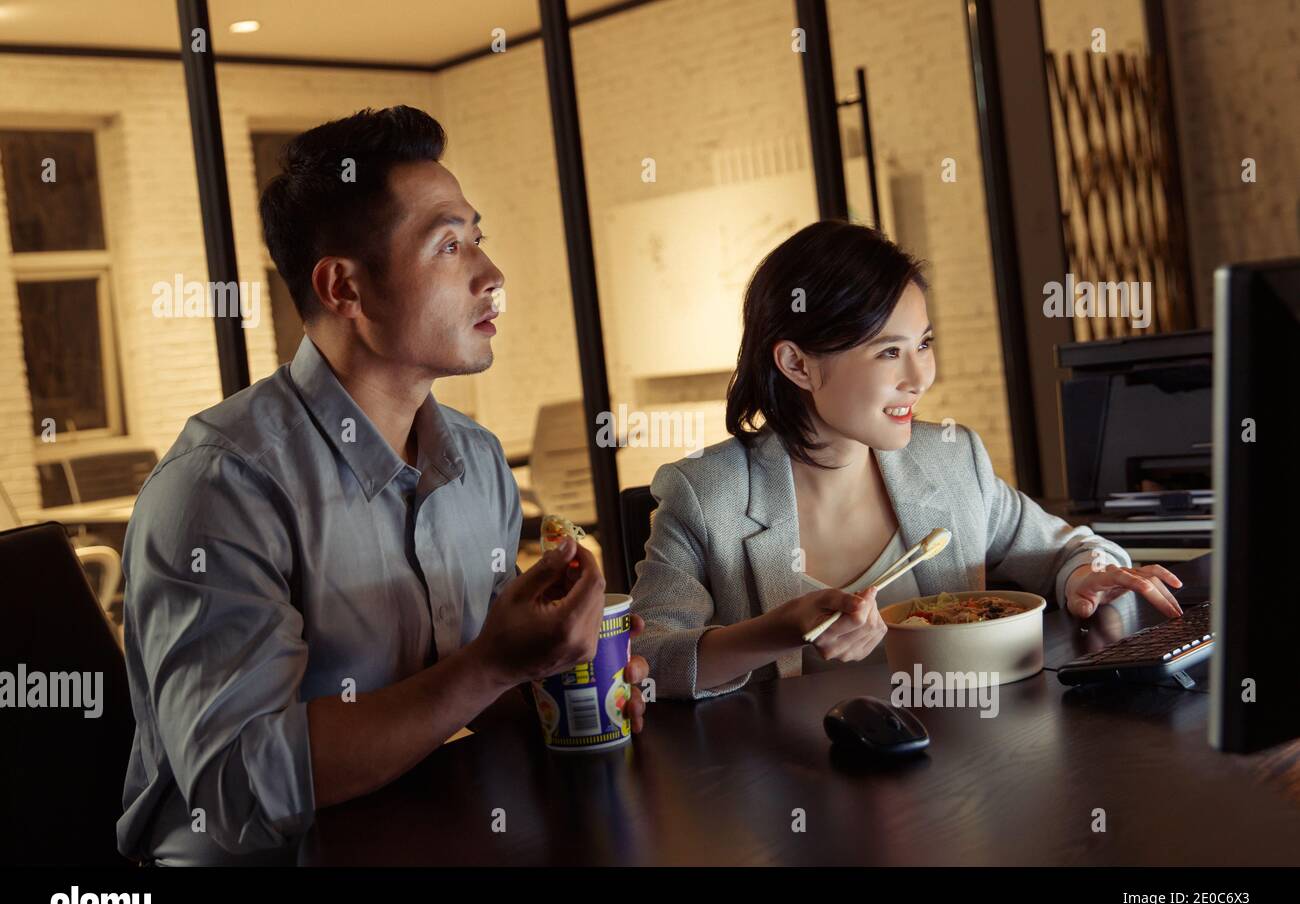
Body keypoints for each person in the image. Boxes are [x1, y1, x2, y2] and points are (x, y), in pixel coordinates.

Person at [117, 106, 648, 865]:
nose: (491, 275)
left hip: (433, 827)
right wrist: (493, 665)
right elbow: (240, 789)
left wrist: (556, 676)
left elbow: (473, 701)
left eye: (479, 237)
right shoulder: (220, 486)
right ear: (345, 289)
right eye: (449, 245)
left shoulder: (477, 459)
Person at [630, 220, 1183, 700]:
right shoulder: (705, 495)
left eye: (923, 343)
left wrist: (1086, 575)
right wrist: (776, 633)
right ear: (797, 364)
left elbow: (1066, 548)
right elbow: (645, 662)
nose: (920, 376)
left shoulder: (951, 459)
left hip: (959, 766)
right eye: (889, 352)